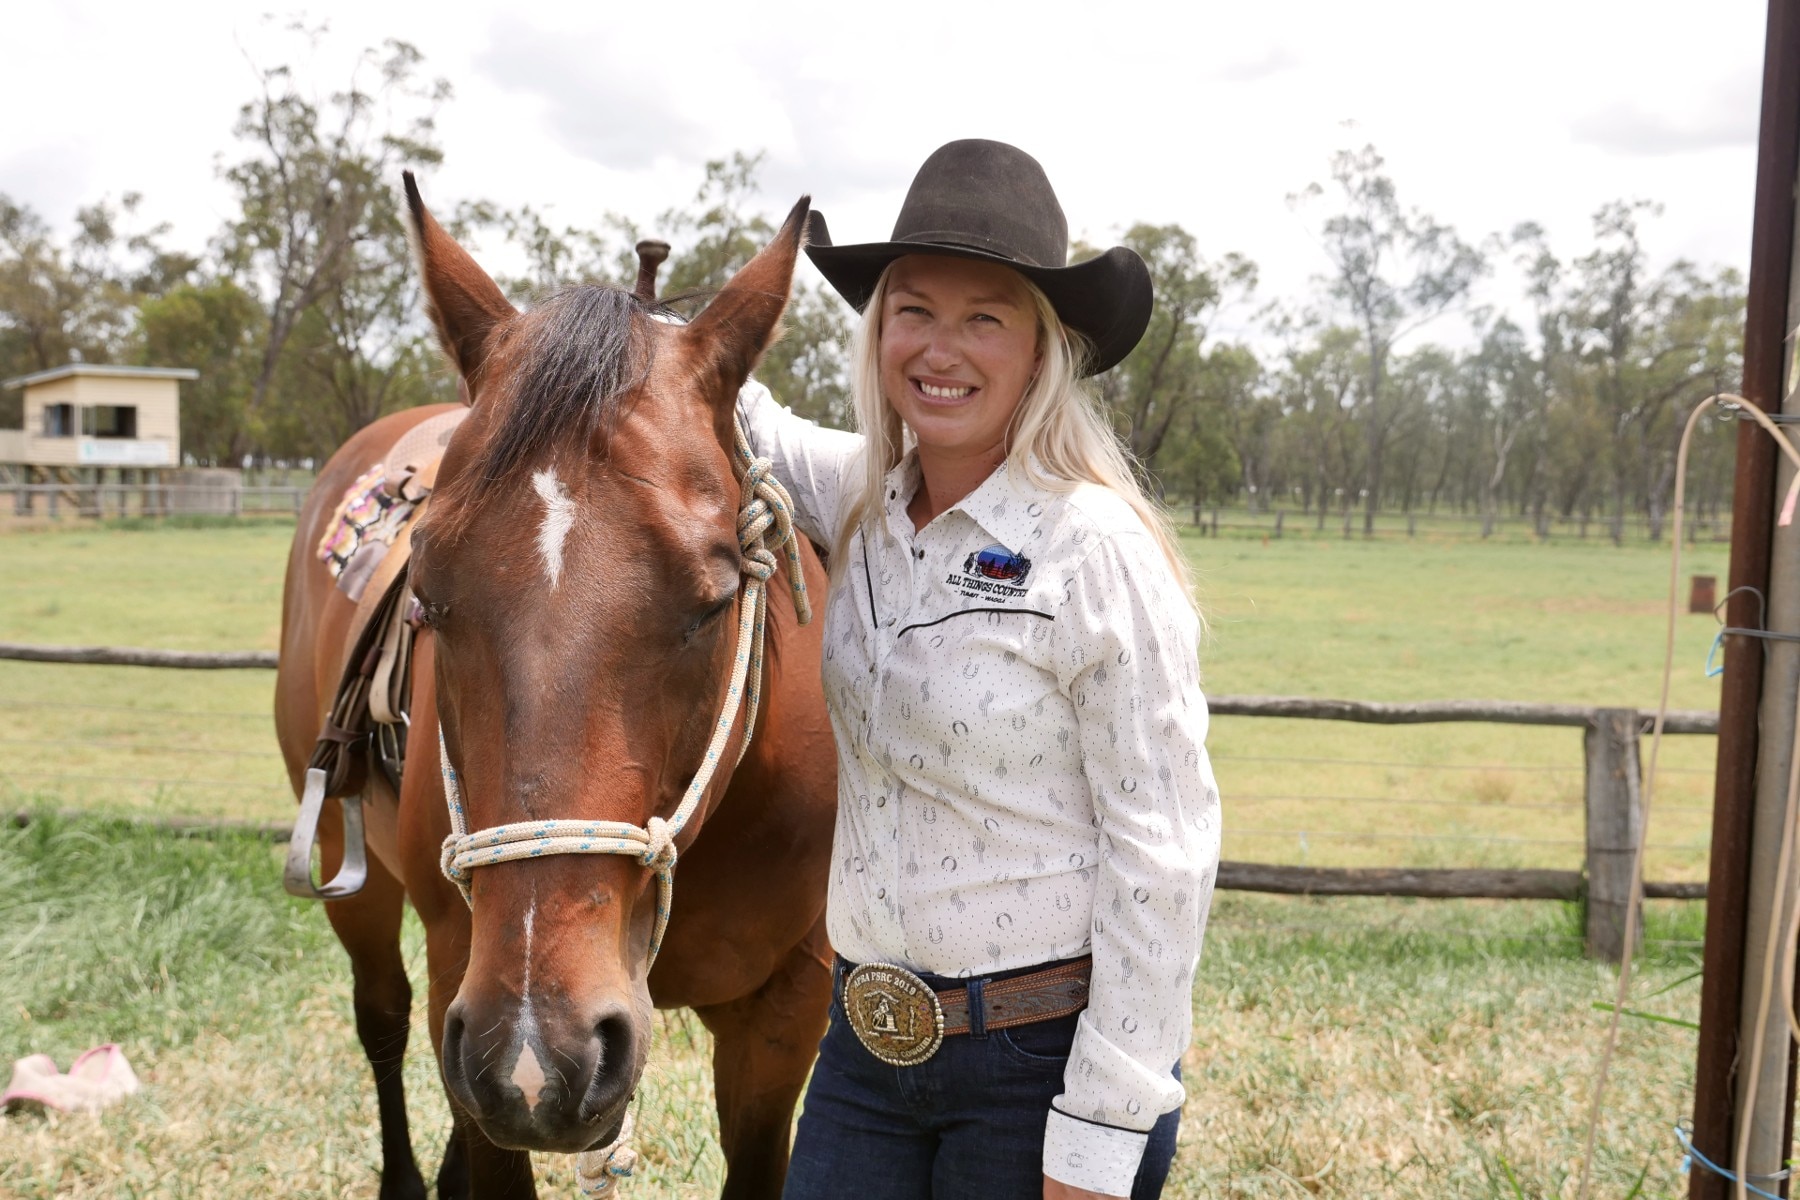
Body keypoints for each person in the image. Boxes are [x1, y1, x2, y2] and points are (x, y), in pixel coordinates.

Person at [738, 139, 1221, 1200]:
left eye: (984, 317)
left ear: (1043, 349)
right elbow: (732, 409)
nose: (939, 346)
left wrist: (1099, 1135)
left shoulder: (1094, 550)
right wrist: (612, 331)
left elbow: (1165, 849)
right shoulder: (860, 499)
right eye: (913, 310)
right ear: (877, 335)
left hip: (1038, 1064)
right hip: (867, 1049)